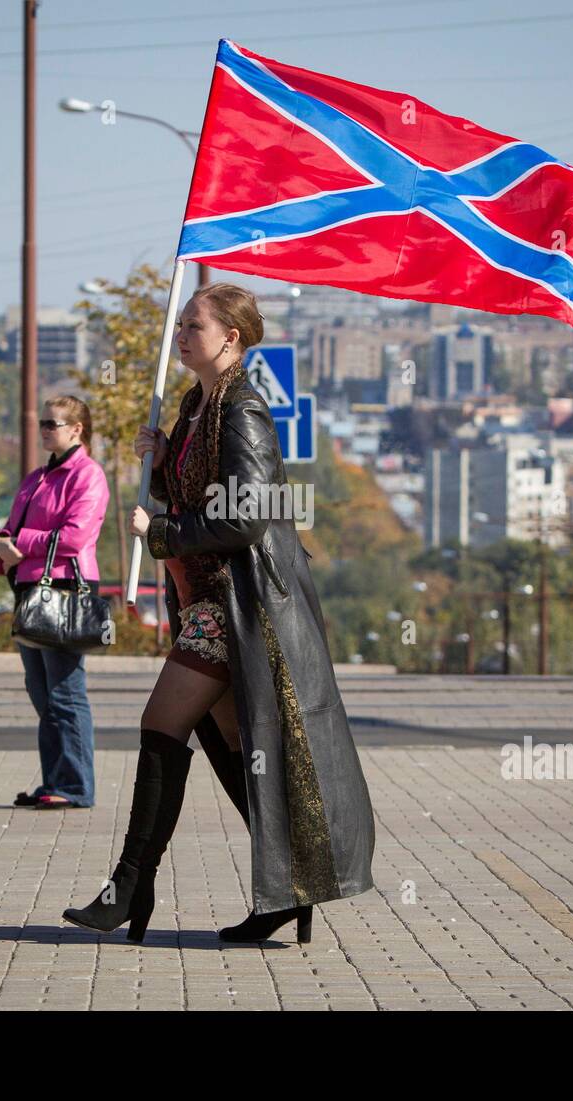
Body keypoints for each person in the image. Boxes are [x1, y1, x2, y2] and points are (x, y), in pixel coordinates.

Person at [62, 283, 375, 945]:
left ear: (230, 337)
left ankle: (129, 884)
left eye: (193, 325)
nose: (180, 334)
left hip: (241, 604)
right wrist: (158, 462)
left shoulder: (245, 409)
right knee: (241, 752)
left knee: (161, 722)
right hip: (207, 600)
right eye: (180, 323)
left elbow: (246, 513)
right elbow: (182, 496)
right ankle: (293, 886)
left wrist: (166, 532)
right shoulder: (196, 403)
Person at [0, 395, 110, 810]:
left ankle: (75, 786)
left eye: (52, 424)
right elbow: (6, 530)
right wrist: (0, 543)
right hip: (29, 589)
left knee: (65, 691)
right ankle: (55, 781)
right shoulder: (36, 478)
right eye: (42, 423)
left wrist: (19, 543)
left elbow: (75, 538)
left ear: (76, 429)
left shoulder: (88, 476)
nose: (44, 430)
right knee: (40, 690)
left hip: (66, 590)